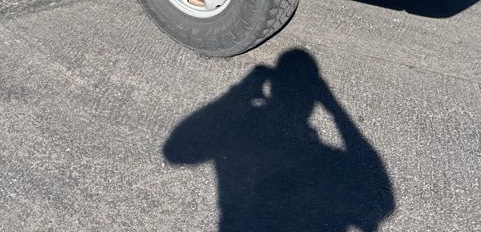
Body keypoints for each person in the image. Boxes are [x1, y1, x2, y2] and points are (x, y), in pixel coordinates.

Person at [163, 49, 395, 232]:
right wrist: (334, 107)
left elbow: (175, 150)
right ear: (315, 99)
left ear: (272, 88)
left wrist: (239, 93)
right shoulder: (323, 159)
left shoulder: (240, 133)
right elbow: (380, 198)